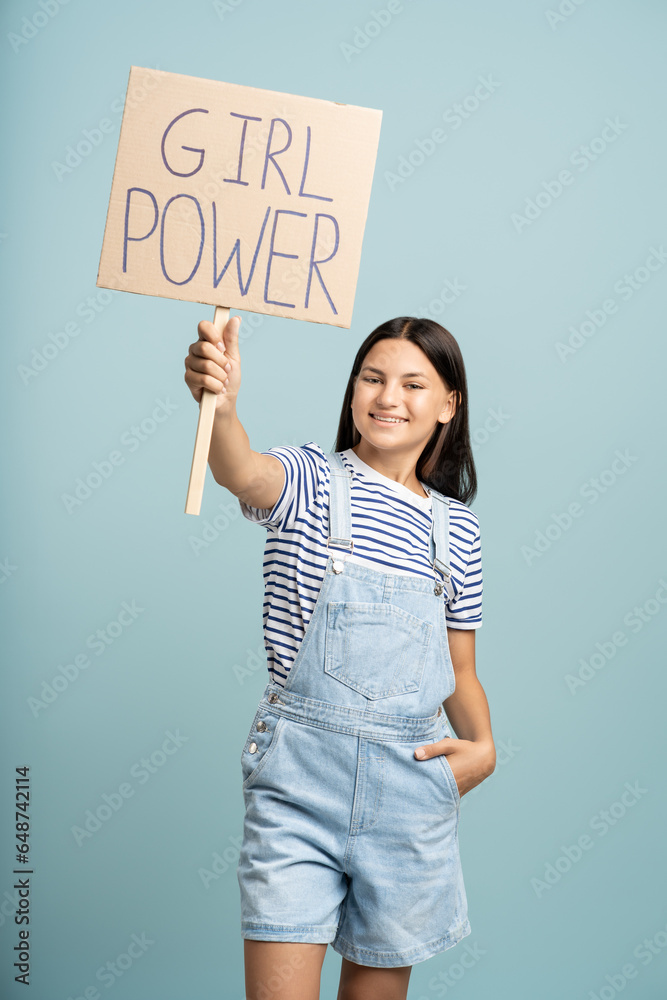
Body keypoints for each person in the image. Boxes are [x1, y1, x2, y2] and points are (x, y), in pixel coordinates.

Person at [184, 314, 496, 1000]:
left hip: (408, 793)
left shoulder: (459, 530)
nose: (388, 397)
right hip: (299, 787)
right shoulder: (306, 480)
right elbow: (239, 468)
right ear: (352, 390)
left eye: (414, 384)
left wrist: (484, 747)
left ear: (448, 405)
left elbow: (460, 669)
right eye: (372, 378)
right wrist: (223, 407)